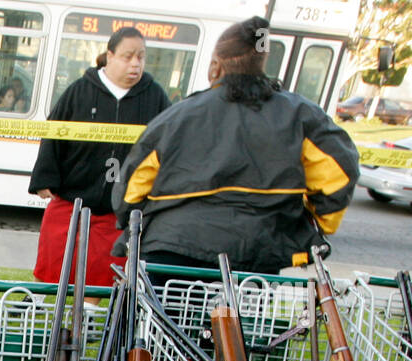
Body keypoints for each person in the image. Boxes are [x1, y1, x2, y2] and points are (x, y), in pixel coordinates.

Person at [113, 16, 359, 275]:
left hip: (172, 250)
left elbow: (131, 190)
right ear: (262, 65)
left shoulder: (176, 118)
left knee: (166, 315)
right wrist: (315, 222)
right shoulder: (302, 117)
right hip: (259, 254)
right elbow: (340, 174)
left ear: (215, 67)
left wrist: (135, 222)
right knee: (244, 317)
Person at [29, 28, 170, 286]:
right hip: (71, 201)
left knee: (102, 274)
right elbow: (53, 131)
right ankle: (44, 310)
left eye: (141, 57)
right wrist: (44, 178)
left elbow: (168, 145)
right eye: (128, 57)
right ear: (110, 56)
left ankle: (89, 318)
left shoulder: (155, 96)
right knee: (53, 266)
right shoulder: (80, 90)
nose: (135, 64)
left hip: (119, 211)